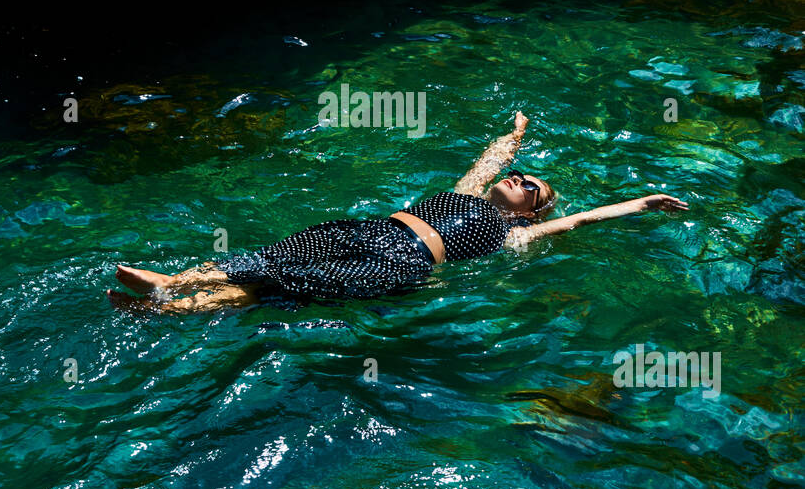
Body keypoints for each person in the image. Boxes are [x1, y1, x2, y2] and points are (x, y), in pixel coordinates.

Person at [106, 110, 688, 314]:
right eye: (521, 175)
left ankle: (176, 306)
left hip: (402, 263)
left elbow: (581, 220)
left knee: (282, 285)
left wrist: (642, 202)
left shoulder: (511, 235)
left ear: (529, 214)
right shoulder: (466, 193)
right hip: (368, 230)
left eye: (529, 187)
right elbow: (487, 163)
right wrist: (517, 136)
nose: (518, 181)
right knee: (270, 259)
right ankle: (171, 284)